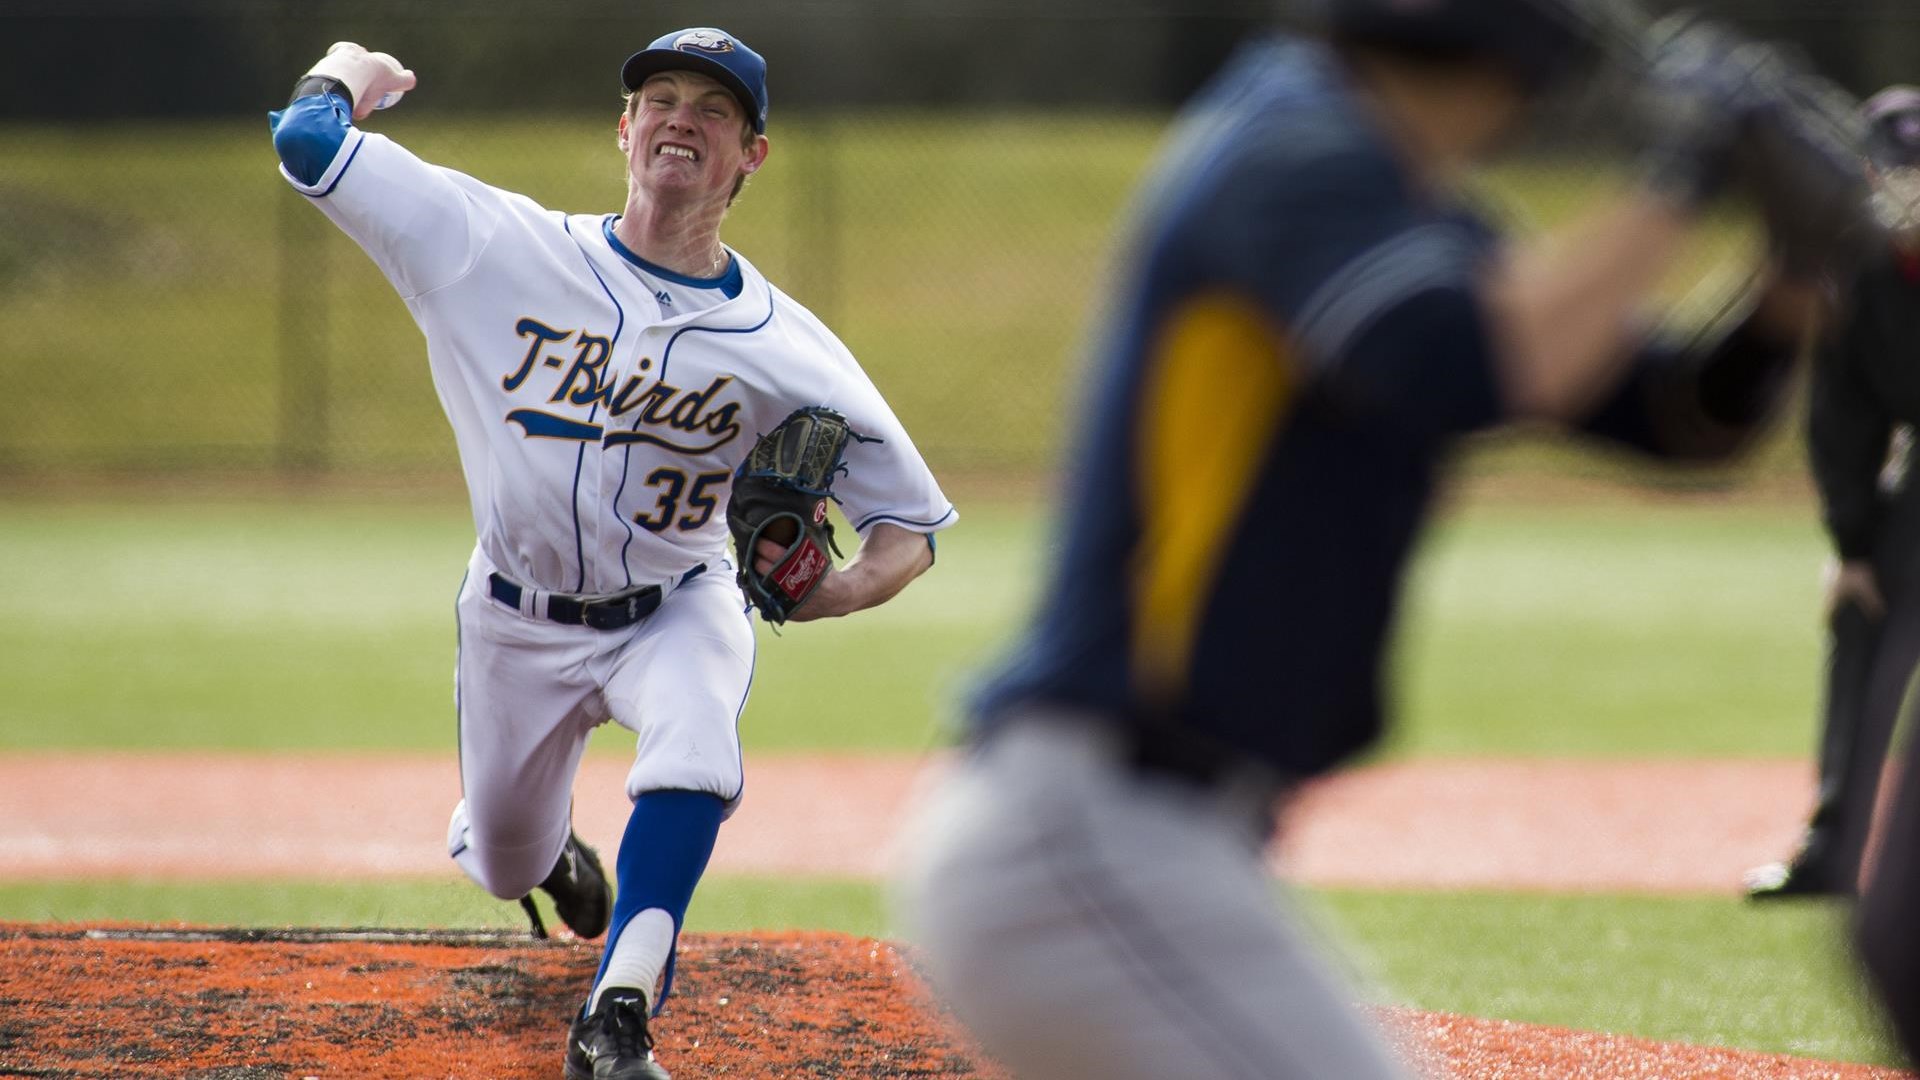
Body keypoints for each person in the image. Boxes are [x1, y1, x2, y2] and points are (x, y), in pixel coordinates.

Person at [895, 2, 1859, 1077]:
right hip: (1095, 834)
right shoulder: (1297, 145)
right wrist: (1681, 175)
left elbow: (1679, 417)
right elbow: (1456, 366)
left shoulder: (1390, 194)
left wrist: (1791, 285)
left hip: (1140, 846)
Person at [268, 29, 956, 1080]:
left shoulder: (791, 349)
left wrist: (844, 592)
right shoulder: (495, 248)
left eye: (714, 110)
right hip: (512, 617)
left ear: (750, 157)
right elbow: (309, 144)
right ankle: (554, 860)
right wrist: (351, 67)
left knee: (695, 743)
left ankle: (619, 1015)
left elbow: (910, 529)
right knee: (503, 860)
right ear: (625, 128)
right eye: (661, 97)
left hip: (679, 601)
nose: (682, 117)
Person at [1746, 86, 1920, 903]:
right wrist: (1853, 545)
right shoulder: (1858, 275)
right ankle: (1833, 844)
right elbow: (1842, 413)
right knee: (1864, 603)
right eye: (1897, 175)